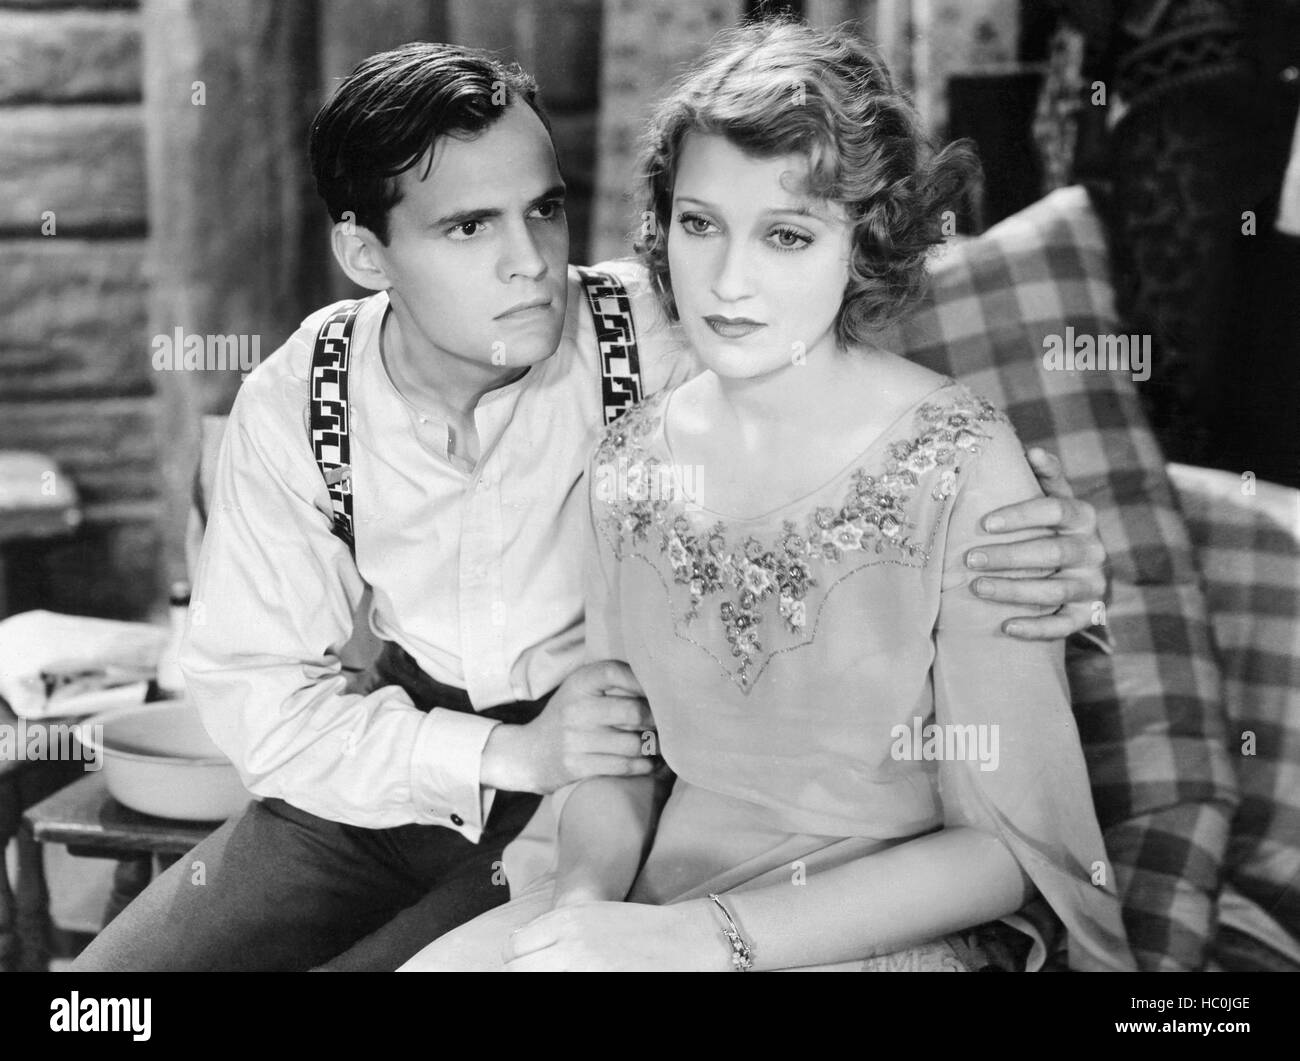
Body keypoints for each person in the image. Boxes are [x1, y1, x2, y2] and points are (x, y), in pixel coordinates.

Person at [74, 40, 1109, 973]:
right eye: (468, 226)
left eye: (545, 208)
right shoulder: (297, 402)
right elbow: (260, 700)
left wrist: (1059, 539)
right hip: (400, 761)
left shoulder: (662, 331)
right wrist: (512, 757)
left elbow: (859, 422)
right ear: (366, 255)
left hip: (592, 788)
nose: (529, 262)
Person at [401, 21, 1135, 972]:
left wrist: (696, 940)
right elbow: (617, 766)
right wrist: (579, 919)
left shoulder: (961, 461)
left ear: (862, 242)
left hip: (883, 924)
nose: (730, 281)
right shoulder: (628, 461)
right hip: (657, 899)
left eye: (787, 235)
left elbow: (1006, 851)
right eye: (702, 225)